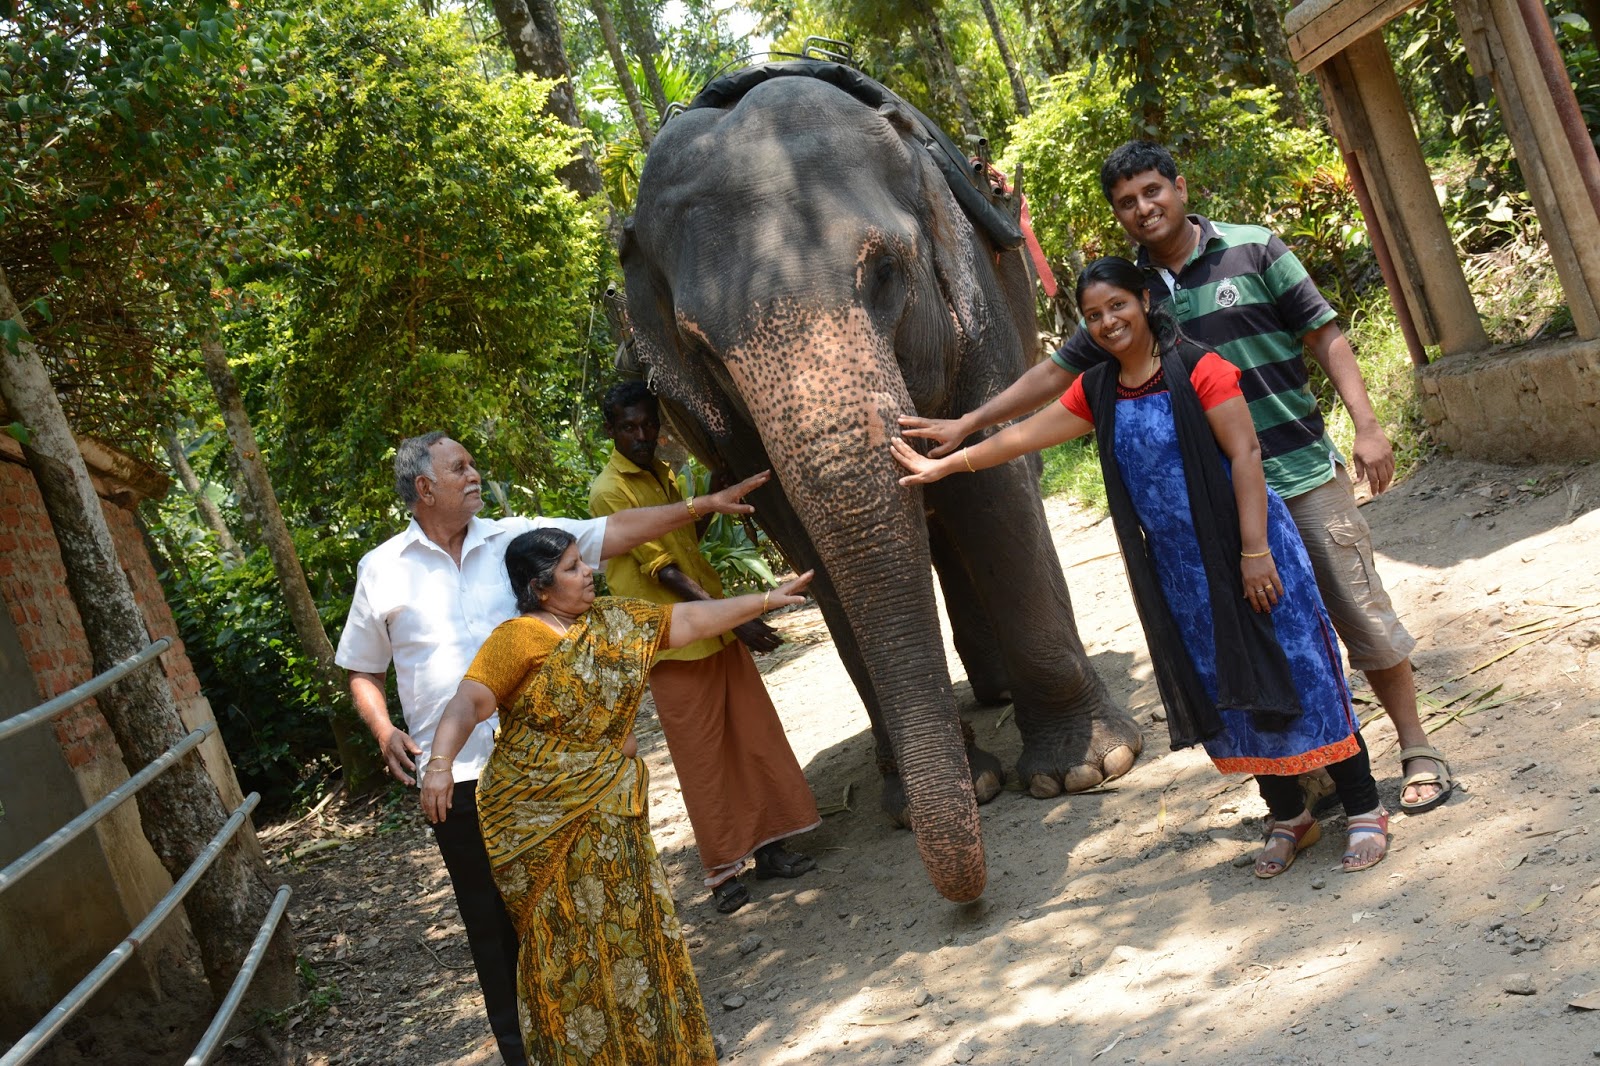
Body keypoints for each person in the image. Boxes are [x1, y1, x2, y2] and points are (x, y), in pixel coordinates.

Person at [900, 140, 1452, 818]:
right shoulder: (1126, 294)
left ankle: (1416, 747)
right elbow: (1058, 378)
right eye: (1126, 203)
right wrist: (969, 424)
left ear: (1180, 188)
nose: (1143, 209)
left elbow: (1324, 335)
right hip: (1214, 506)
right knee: (1270, 640)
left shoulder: (1254, 250)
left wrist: (1367, 425)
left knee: (1358, 618)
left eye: (1152, 192)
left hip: (1296, 469)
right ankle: (1313, 779)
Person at [892, 258, 1390, 879]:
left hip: (1251, 554)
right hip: (1182, 575)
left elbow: (1245, 455)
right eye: (1093, 315)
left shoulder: (1200, 367)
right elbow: (1021, 438)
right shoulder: (1097, 389)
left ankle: (1366, 806)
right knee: (1225, 686)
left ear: (1146, 300)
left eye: (1117, 306)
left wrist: (1255, 552)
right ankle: (1288, 815)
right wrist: (947, 465)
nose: (1107, 322)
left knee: (1300, 668)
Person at [335, 431, 773, 1066]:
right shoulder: (381, 570)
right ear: (423, 487)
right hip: (458, 779)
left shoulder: (517, 540)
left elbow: (613, 531)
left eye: (472, 461)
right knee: (493, 928)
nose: (474, 472)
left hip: (562, 773)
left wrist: (701, 507)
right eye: (459, 466)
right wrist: (383, 730)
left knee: (586, 912)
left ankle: (616, 1043)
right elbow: (361, 670)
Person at [421, 527, 816, 1062]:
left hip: (608, 810)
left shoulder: (614, 623)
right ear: (540, 587)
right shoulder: (518, 639)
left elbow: (689, 621)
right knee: (565, 942)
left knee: (631, 925)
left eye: (583, 562)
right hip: (534, 821)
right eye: (571, 567)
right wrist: (440, 765)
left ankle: (654, 1047)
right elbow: (469, 703)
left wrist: (767, 598)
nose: (588, 573)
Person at [588, 381, 820, 914]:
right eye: (630, 427)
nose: (643, 436)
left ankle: (773, 848)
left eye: (649, 425)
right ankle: (722, 873)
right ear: (612, 430)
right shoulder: (609, 492)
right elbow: (662, 569)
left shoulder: (663, 474)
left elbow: (684, 545)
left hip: (712, 624)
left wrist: (715, 498)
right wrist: (740, 619)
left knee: (753, 736)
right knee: (704, 759)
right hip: (672, 643)